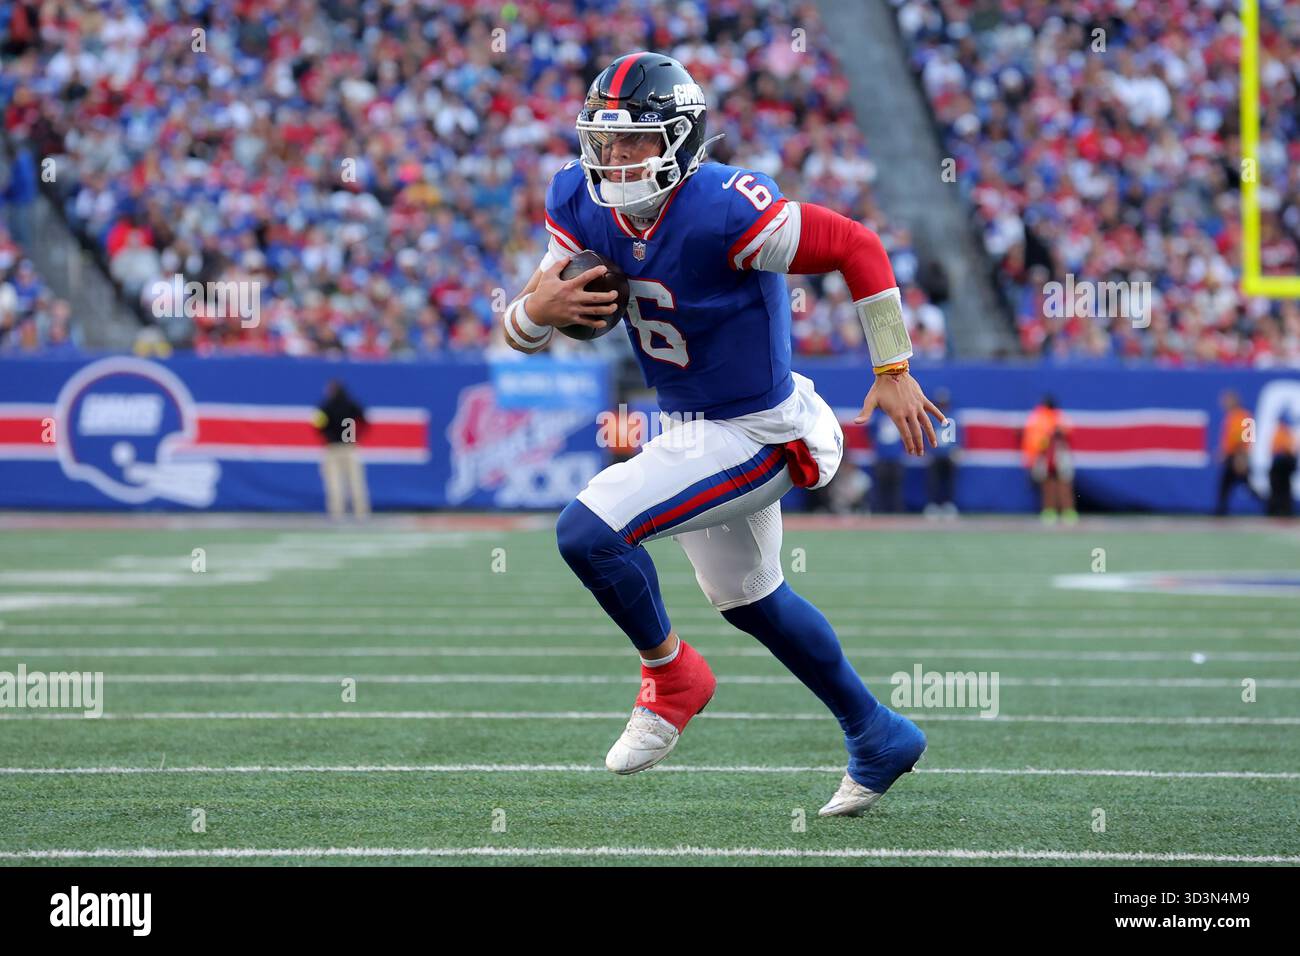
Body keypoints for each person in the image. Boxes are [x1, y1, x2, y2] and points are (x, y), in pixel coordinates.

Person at [502, 53, 945, 816]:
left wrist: (894, 364)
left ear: (679, 140)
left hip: (764, 430)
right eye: (604, 142)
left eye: (636, 141)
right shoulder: (577, 200)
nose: (615, 158)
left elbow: (856, 247)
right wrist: (533, 316)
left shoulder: (725, 210)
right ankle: (878, 732)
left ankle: (671, 675)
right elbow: (527, 320)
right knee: (751, 599)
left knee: (587, 531)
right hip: (695, 427)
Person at [314, 379, 370, 519]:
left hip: (333, 447)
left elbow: (317, 424)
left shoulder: (326, 406)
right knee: (356, 481)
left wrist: (327, 436)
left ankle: (336, 513)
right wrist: (354, 435)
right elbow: (364, 419)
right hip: (349, 445)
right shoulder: (350, 404)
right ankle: (361, 512)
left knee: (334, 482)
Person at [1022, 395, 1076, 524]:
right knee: (1049, 484)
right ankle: (1050, 511)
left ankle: (1067, 511)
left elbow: (1068, 432)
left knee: (1063, 483)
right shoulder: (1038, 418)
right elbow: (1034, 440)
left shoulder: (1058, 417)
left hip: (1059, 454)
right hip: (1044, 455)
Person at [1216, 391, 1261, 516]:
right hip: (1233, 456)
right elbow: (1229, 440)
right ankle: (1221, 511)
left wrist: (1241, 458)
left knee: (1247, 485)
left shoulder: (1244, 416)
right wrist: (1223, 453)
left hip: (1238, 457)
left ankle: (1269, 505)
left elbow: (1245, 440)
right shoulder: (1231, 416)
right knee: (1226, 485)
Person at [924, 387, 958, 517]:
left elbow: (957, 435)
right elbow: (927, 433)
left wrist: (957, 449)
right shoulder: (932, 418)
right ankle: (933, 505)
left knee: (949, 482)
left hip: (949, 455)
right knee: (933, 481)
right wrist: (927, 450)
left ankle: (948, 504)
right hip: (935, 454)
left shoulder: (952, 417)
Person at [1268, 415, 1297, 517]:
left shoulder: (1282, 433)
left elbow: (1281, 449)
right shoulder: (1287, 433)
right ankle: (1283, 510)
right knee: (1283, 488)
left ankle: (1278, 510)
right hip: (1285, 462)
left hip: (1281, 463)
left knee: (1279, 487)